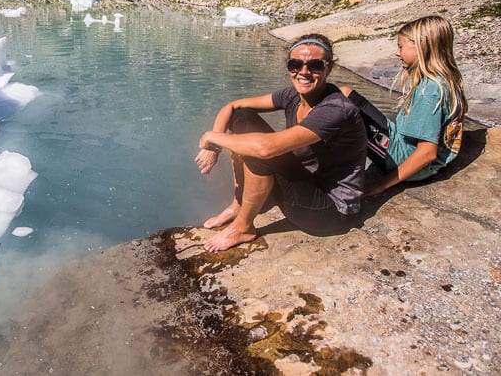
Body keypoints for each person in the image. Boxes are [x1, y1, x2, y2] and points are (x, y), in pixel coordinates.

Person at [195, 34, 367, 252]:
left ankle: (243, 228)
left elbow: (266, 148)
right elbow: (234, 107)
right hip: (307, 186)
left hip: (331, 212)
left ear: (329, 68)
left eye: (315, 65)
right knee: (243, 118)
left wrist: (210, 136)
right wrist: (214, 146)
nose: (304, 72)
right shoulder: (293, 95)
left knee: (261, 150)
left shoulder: (335, 109)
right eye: (295, 64)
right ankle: (238, 204)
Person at [340, 15, 467, 196]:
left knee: (342, 105)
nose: (397, 53)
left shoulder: (430, 90)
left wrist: (382, 185)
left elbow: (427, 153)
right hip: (407, 150)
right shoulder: (446, 79)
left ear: (422, 47)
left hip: (403, 160)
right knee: (345, 93)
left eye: (400, 47)